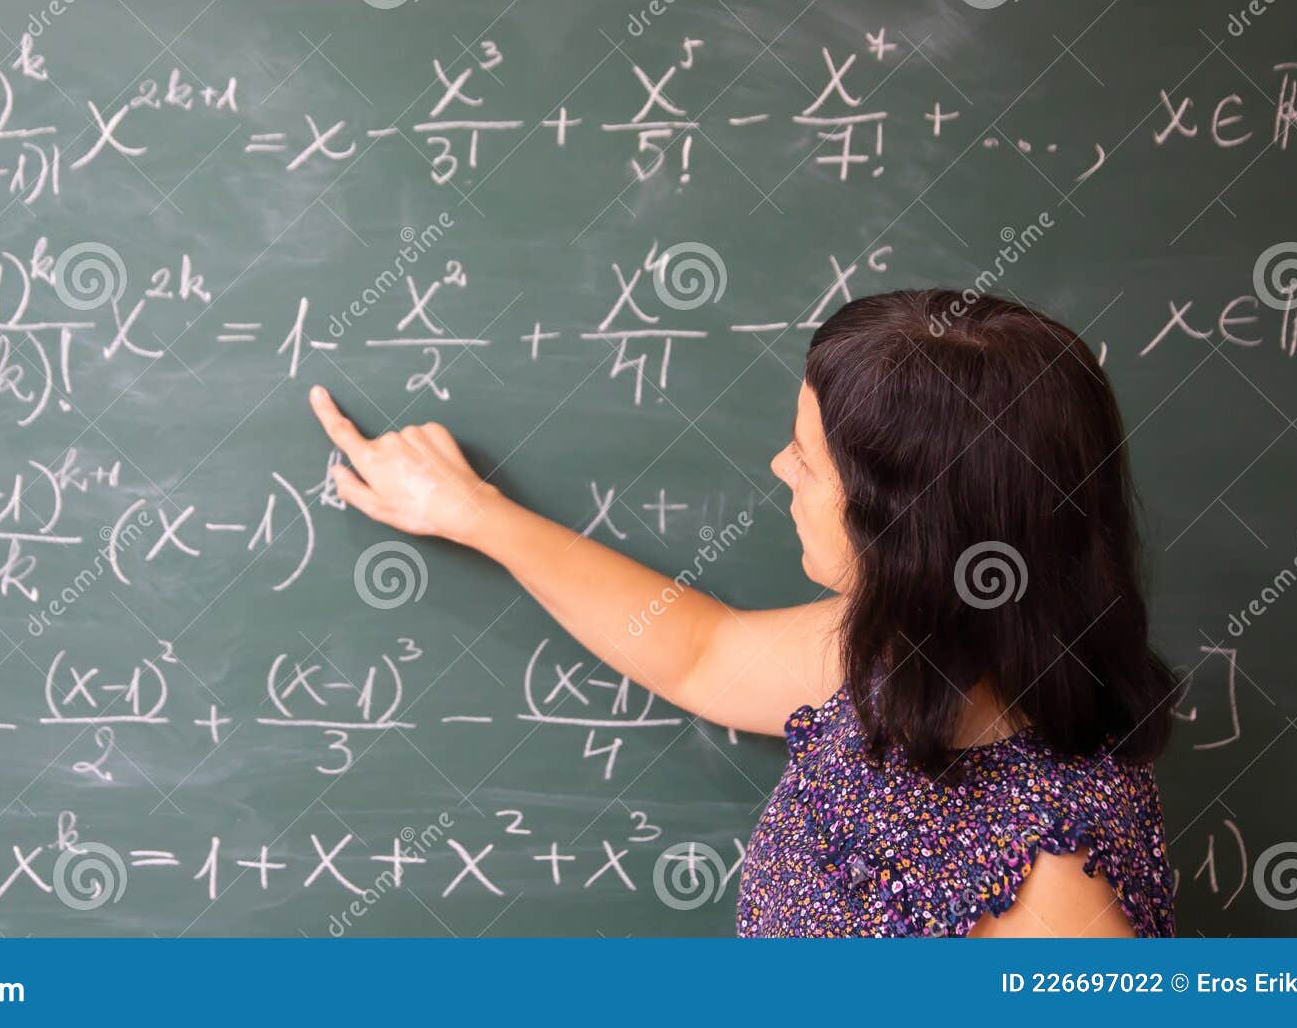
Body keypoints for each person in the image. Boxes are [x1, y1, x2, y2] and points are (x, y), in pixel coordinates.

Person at [308, 288, 1178, 937]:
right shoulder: (908, 657)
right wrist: (476, 514)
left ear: (901, 528)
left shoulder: (1057, 892)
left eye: (807, 458)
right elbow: (698, 651)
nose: (780, 467)